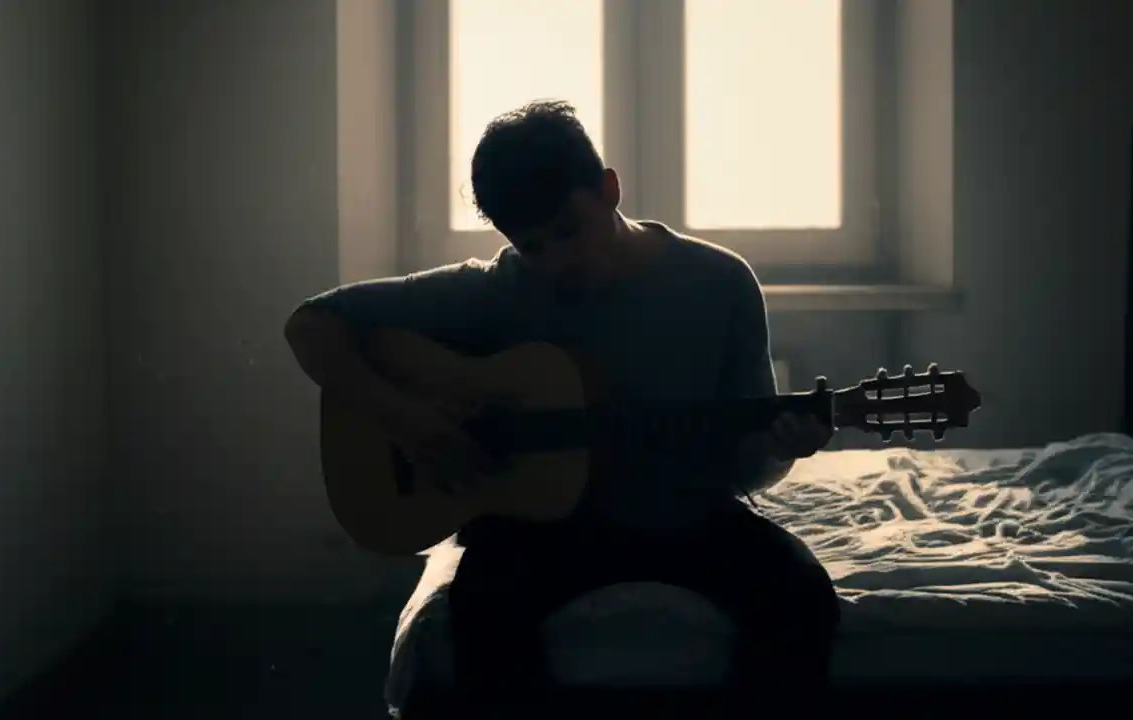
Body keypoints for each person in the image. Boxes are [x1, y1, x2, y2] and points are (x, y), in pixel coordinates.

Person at [285, 100, 841, 713]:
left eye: (569, 231)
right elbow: (310, 325)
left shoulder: (720, 282)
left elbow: (745, 471)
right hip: (542, 530)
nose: (557, 260)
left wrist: (779, 446)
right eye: (532, 245)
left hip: (687, 517)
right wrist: (407, 419)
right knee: (481, 613)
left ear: (609, 189)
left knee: (801, 597)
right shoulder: (498, 289)